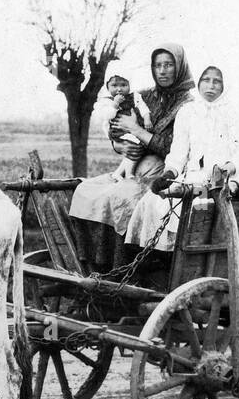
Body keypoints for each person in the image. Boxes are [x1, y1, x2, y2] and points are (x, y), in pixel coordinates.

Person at [68, 42, 196, 271]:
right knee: (85, 191)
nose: (163, 71)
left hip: (163, 173)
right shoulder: (144, 96)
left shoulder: (188, 105)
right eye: (158, 65)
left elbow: (174, 148)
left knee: (119, 200)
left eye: (169, 65)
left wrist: (137, 130)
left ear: (180, 68)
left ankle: (122, 268)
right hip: (132, 166)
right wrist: (120, 145)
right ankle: (91, 263)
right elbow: (116, 123)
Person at [127, 64, 239, 251]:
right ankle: (157, 257)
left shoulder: (238, 114)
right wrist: (169, 173)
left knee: (199, 211)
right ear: (199, 82)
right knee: (152, 202)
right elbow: (178, 152)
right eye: (206, 80)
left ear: (225, 85)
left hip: (225, 183)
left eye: (217, 81)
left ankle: (190, 260)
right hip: (194, 180)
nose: (210, 86)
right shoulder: (188, 112)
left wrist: (223, 171)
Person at [98, 64, 149, 180]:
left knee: (137, 147)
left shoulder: (134, 97)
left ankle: (120, 172)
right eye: (114, 85)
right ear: (107, 87)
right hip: (118, 132)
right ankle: (129, 173)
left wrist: (147, 118)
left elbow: (143, 107)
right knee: (136, 145)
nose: (119, 89)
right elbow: (108, 116)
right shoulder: (107, 101)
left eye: (123, 85)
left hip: (132, 131)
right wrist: (115, 105)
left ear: (129, 85)